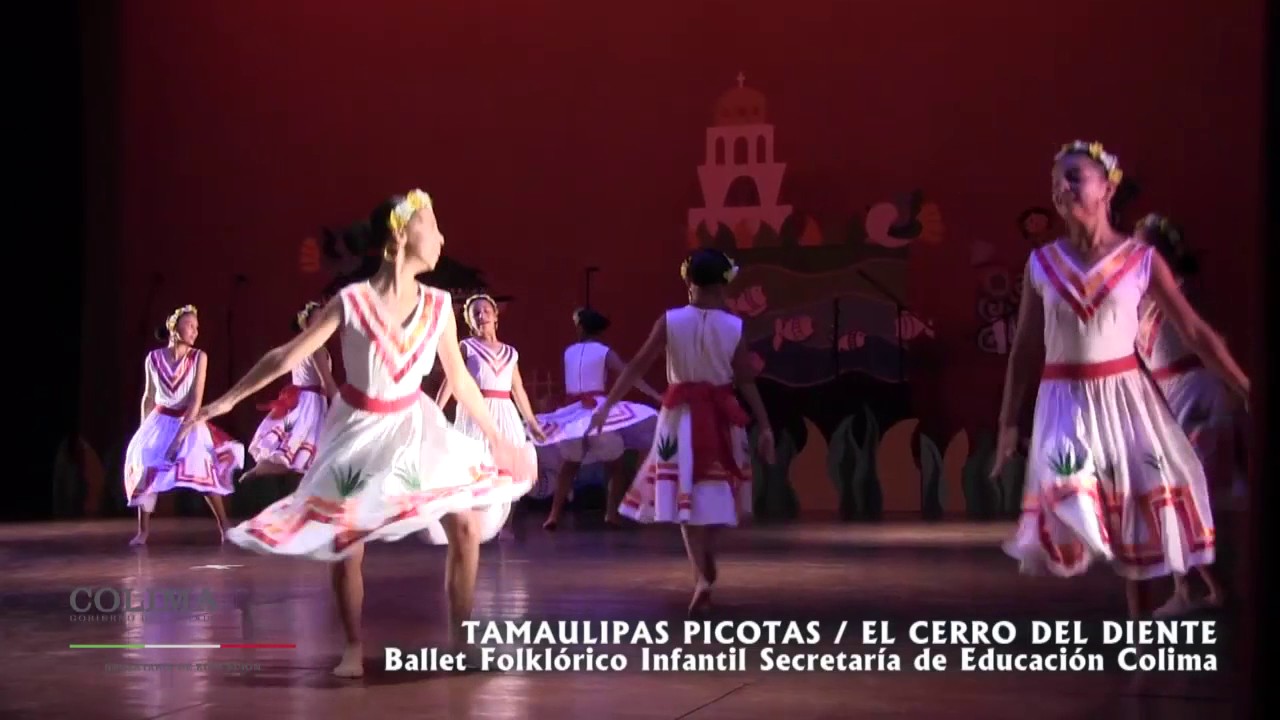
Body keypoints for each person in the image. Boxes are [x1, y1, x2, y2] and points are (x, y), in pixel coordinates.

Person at [188, 190, 535, 678]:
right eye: (433, 226)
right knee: (347, 539)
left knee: (465, 524)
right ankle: (352, 644)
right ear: (401, 233)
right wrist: (226, 400)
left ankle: (461, 637)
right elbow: (286, 355)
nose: (442, 238)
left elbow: (459, 379)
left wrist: (496, 439)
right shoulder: (352, 302)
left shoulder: (438, 305)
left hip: (415, 425)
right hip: (359, 428)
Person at [995, 141, 1249, 618]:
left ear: (1107, 188)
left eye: (1075, 177)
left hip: (1127, 397)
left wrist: (1244, 387)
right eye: (1056, 181)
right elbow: (1025, 348)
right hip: (1065, 401)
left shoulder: (1141, 260)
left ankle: (1142, 623)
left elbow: (1196, 332)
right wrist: (1008, 422)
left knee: (1141, 510)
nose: (1062, 188)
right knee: (1076, 494)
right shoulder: (1042, 264)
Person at [589, 248, 776, 616]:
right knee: (716, 492)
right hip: (721, 417)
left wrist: (607, 406)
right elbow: (746, 381)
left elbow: (637, 365)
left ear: (689, 281)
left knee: (685, 499)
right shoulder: (734, 326)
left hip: (680, 419)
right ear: (724, 284)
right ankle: (706, 564)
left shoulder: (671, 321)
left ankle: (701, 575)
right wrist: (765, 425)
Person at [1134, 213, 1245, 615]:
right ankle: (1199, 589)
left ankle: (1203, 589)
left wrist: (1237, 390)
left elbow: (1210, 342)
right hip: (1169, 400)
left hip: (1197, 397)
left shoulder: (1181, 293)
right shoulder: (1143, 301)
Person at [123, 305, 244, 545]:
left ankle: (224, 526)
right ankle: (143, 531)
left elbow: (195, 402)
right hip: (159, 420)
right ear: (174, 327)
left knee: (203, 470)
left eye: (196, 327)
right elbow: (149, 396)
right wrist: (143, 430)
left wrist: (178, 440)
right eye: (190, 325)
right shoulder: (153, 358)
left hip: (188, 422)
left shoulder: (199, 357)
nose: (195, 331)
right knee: (146, 469)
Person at [535, 307, 662, 529]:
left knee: (569, 465)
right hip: (598, 414)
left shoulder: (569, 352)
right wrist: (655, 395)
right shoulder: (605, 352)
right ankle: (611, 513)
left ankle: (553, 515)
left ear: (581, 328)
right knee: (615, 466)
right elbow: (629, 375)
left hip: (573, 415)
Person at [433, 293, 545, 540]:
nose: (481, 315)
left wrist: (531, 422)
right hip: (476, 412)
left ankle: (506, 524)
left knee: (509, 469)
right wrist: (435, 410)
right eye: (476, 313)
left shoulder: (510, 353)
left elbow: (517, 389)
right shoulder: (466, 347)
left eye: (485, 311)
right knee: (476, 467)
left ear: (495, 316)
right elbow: (452, 381)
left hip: (505, 412)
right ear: (470, 321)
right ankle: (473, 525)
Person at [242, 301, 338, 482]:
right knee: (305, 451)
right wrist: (342, 403)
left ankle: (262, 472)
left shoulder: (299, 346)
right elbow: (327, 383)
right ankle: (261, 471)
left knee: (302, 453)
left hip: (300, 399)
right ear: (307, 324)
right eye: (319, 319)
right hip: (311, 405)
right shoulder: (317, 348)